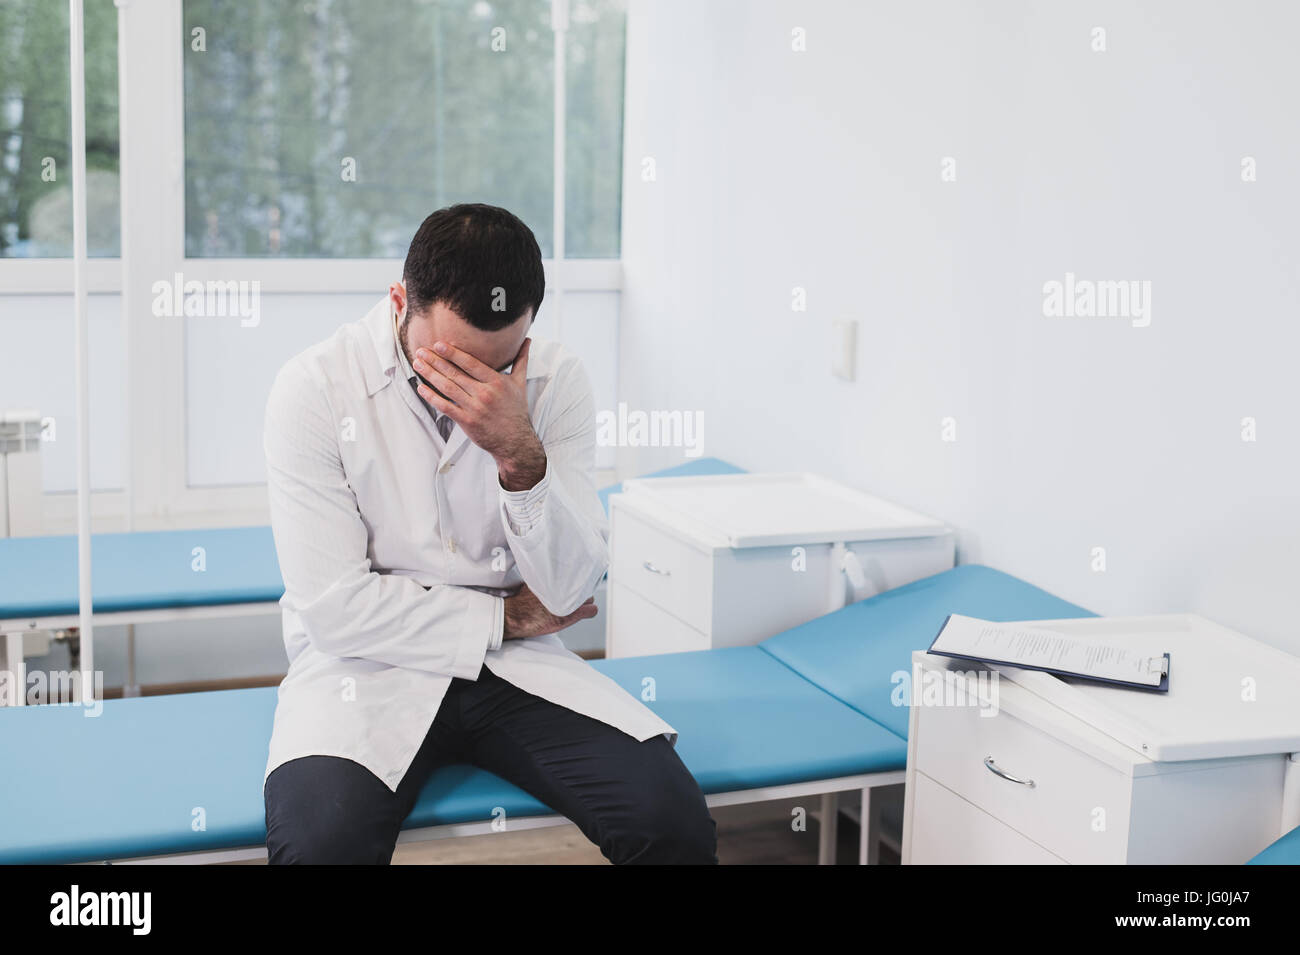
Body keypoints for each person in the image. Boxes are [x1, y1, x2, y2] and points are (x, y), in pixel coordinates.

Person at [260, 203, 717, 864]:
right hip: (364, 669)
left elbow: (566, 588)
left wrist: (520, 459)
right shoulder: (313, 390)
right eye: (443, 368)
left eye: (493, 372)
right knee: (320, 848)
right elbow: (335, 611)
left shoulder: (557, 383)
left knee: (670, 821)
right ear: (398, 303)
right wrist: (502, 616)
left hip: (516, 671)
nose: (466, 394)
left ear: (527, 331)